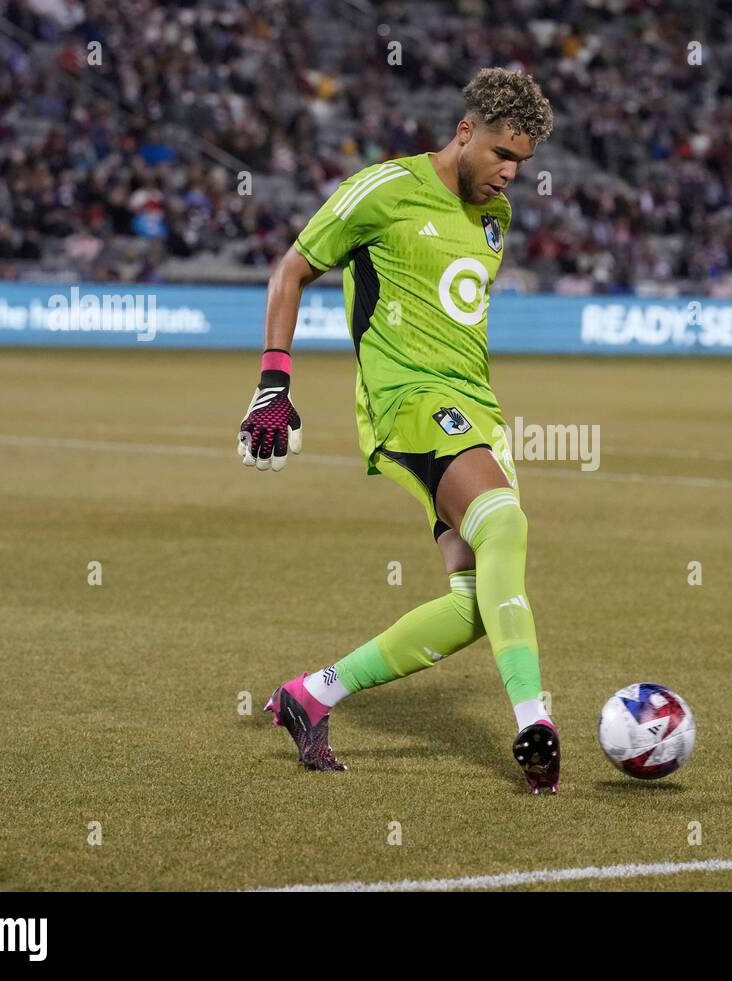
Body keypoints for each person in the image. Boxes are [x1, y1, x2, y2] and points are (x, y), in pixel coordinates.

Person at [237, 68, 560, 793]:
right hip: (407, 401)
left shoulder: (494, 218)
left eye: (524, 164)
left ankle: (312, 694)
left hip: (475, 406)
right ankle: (534, 719)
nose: (511, 175)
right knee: (505, 523)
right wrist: (273, 382)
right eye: (503, 155)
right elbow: (290, 270)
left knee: (474, 605)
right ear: (465, 131)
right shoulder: (383, 189)